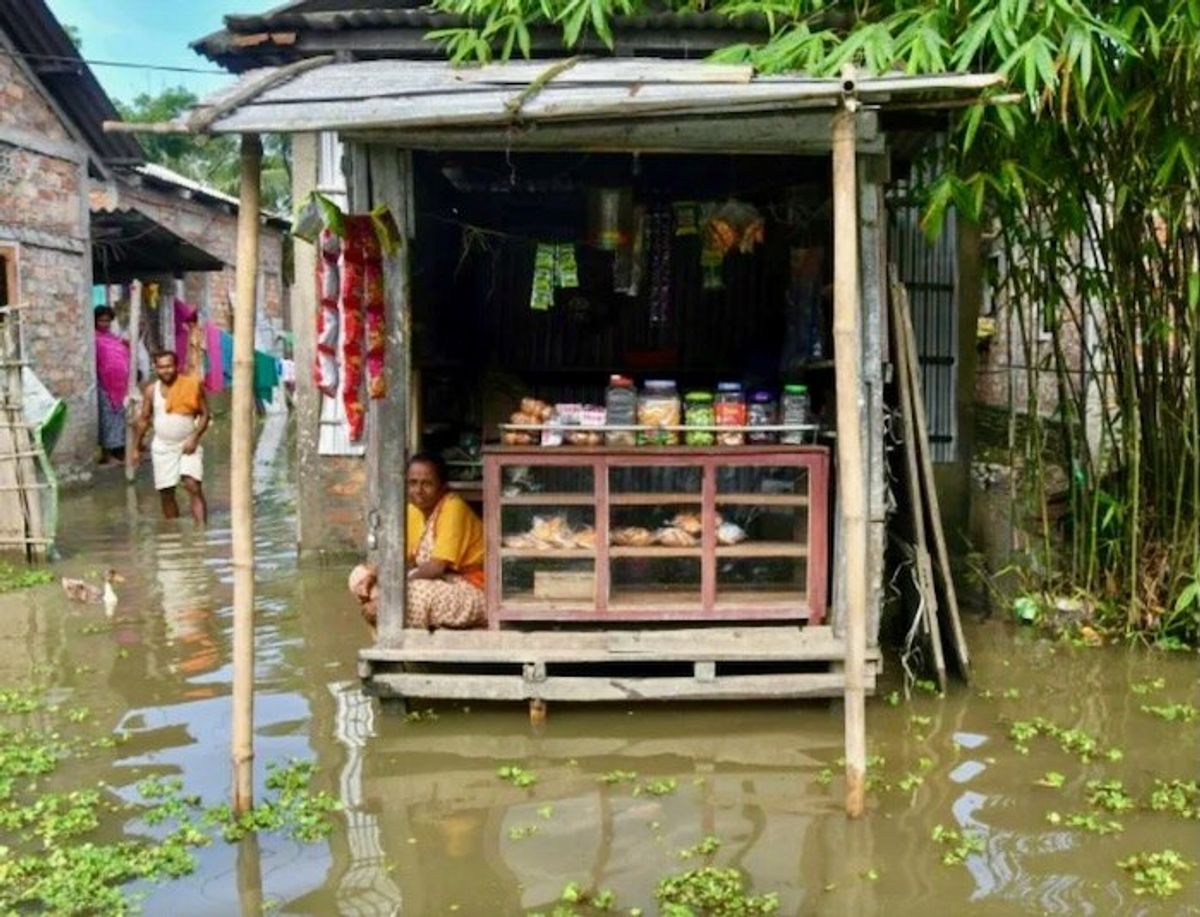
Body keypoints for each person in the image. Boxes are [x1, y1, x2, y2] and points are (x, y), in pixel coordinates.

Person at [132, 351, 209, 524]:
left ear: (176, 366)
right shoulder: (151, 391)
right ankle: (173, 535)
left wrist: (195, 438)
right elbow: (144, 420)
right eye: (161, 367)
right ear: (156, 368)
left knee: (192, 485)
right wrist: (136, 448)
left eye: (169, 366)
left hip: (188, 444)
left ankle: (201, 534)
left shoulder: (192, 385)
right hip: (162, 447)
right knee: (166, 492)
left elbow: (205, 415)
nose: (165, 370)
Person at [93, 306, 130, 465]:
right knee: (107, 419)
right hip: (104, 385)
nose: (105, 323)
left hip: (120, 387)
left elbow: (123, 356)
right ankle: (106, 455)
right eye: (101, 320)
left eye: (107, 320)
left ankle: (120, 452)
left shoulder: (114, 338)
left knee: (121, 420)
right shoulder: (94, 338)